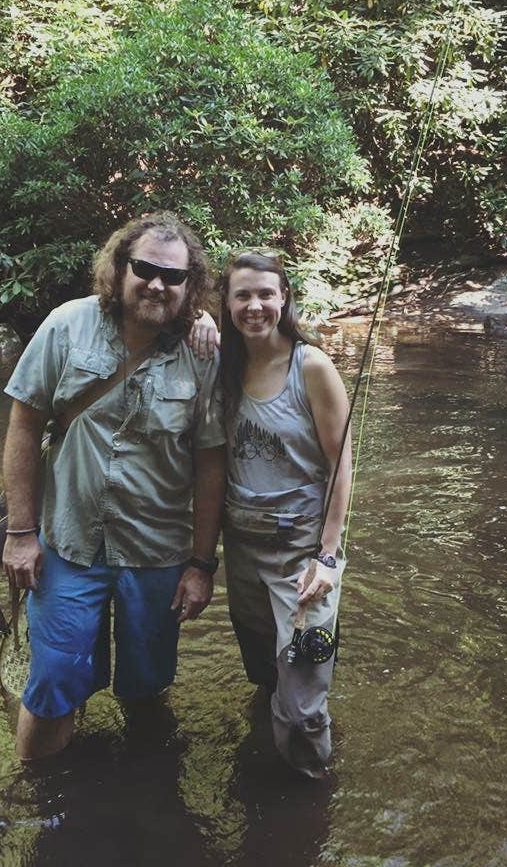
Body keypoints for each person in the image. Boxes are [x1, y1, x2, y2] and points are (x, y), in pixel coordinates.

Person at [1, 211, 226, 761]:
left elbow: (209, 466)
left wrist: (202, 565)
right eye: (145, 267)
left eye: (173, 276)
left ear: (189, 286)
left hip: (157, 554)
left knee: (146, 689)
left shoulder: (202, 355)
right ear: (120, 267)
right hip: (68, 546)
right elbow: (24, 426)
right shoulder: (66, 325)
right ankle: (33, 806)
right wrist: (21, 532)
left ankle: (139, 801)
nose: (156, 283)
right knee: (53, 683)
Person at [217, 250, 351, 777]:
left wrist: (329, 555)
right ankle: (269, 778)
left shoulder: (312, 366)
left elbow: (342, 465)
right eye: (242, 295)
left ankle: (309, 807)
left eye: (265, 294)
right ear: (226, 304)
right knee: (267, 677)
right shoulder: (222, 365)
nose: (255, 306)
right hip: (243, 550)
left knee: (301, 705)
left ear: (285, 298)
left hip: (303, 555)